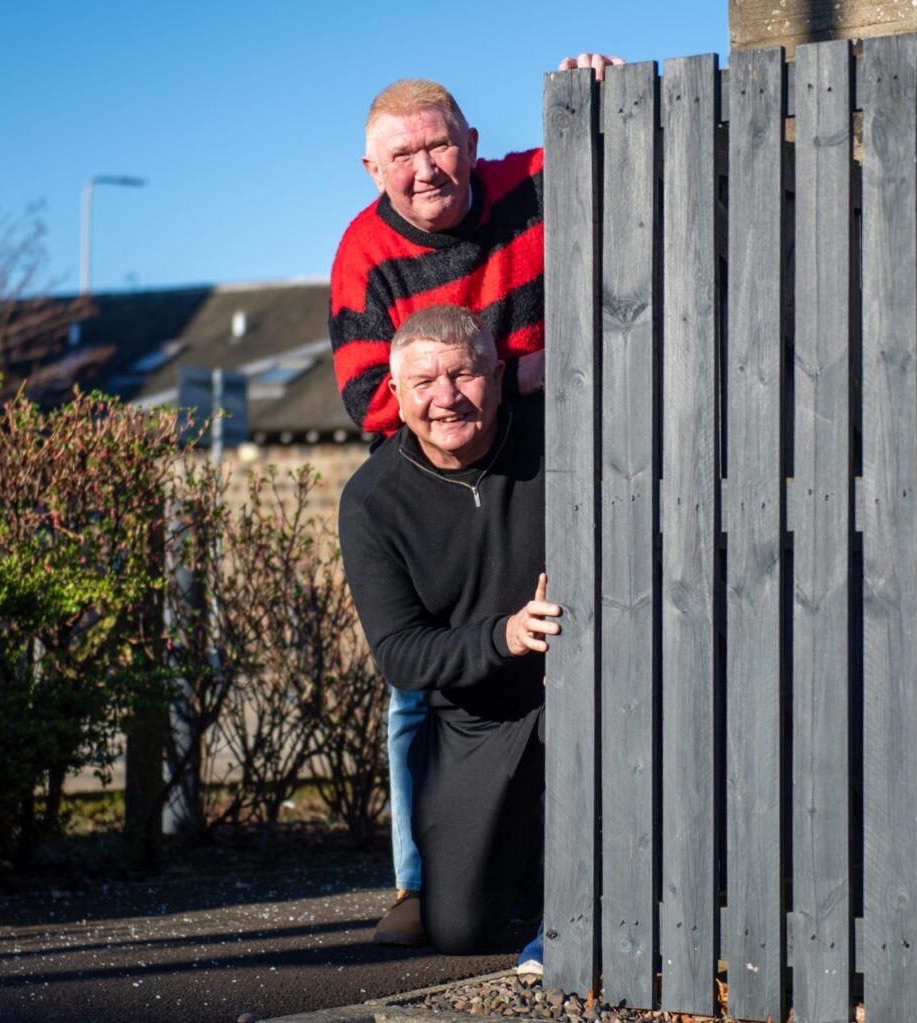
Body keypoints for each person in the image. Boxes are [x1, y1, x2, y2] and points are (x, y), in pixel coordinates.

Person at [328, 56, 620, 950]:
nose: (426, 169)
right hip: (436, 470)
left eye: (441, 145)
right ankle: (419, 880)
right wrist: (519, 373)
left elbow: (622, 150)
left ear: (473, 146)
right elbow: (369, 400)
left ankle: (576, 868)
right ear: (373, 171)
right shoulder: (365, 254)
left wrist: (605, 91)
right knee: (418, 692)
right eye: (403, 156)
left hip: (537, 455)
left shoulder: (526, 181)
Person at [338, 305, 561, 960]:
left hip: (574, 690)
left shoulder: (559, 441)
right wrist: (507, 636)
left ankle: (570, 911)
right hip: (474, 717)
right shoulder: (372, 500)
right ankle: (518, 871)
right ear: (395, 393)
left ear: (497, 374)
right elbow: (401, 655)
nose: (445, 397)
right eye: (424, 382)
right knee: (460, 929)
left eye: (463, 374)